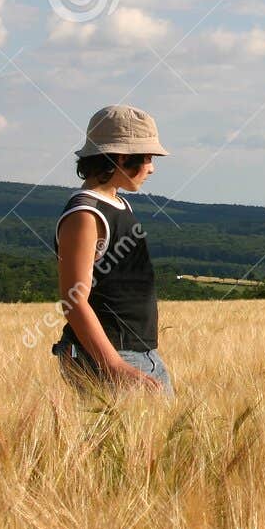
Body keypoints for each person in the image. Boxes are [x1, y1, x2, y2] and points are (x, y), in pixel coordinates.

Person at [50, 104, 175, 399]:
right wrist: (114, 365)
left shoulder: (117, 203)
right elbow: (73, 300)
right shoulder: (86, 213)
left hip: (139, 353)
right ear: (120, 157)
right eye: (146, 158)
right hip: (109, 357)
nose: (152, 167)